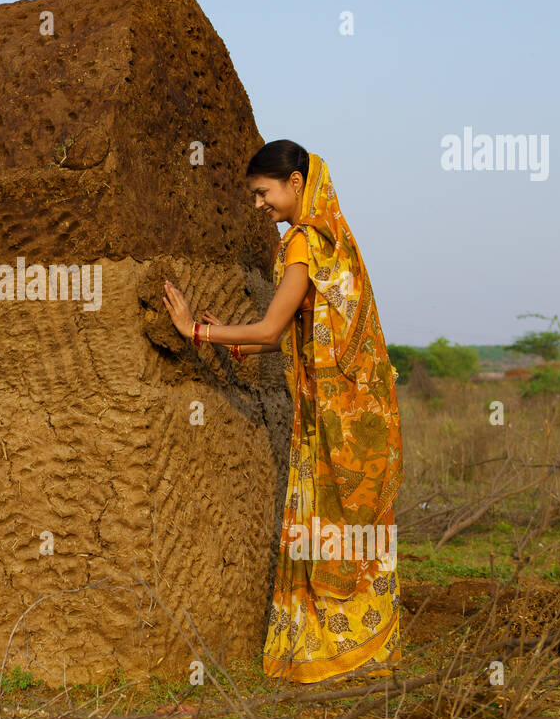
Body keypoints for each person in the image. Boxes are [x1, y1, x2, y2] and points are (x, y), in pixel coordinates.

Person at [162, 140, 403, 683]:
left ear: (295, 185)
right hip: (365, 416)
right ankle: (365, 649)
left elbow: (271, 329)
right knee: (356, 528)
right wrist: (228, 338)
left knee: (324, 525)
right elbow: (287, 335)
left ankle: (329, 650)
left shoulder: (302, 242)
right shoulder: (336, 240)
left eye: (262, 192)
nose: (258, 205)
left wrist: (195, 330)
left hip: (331, 420)